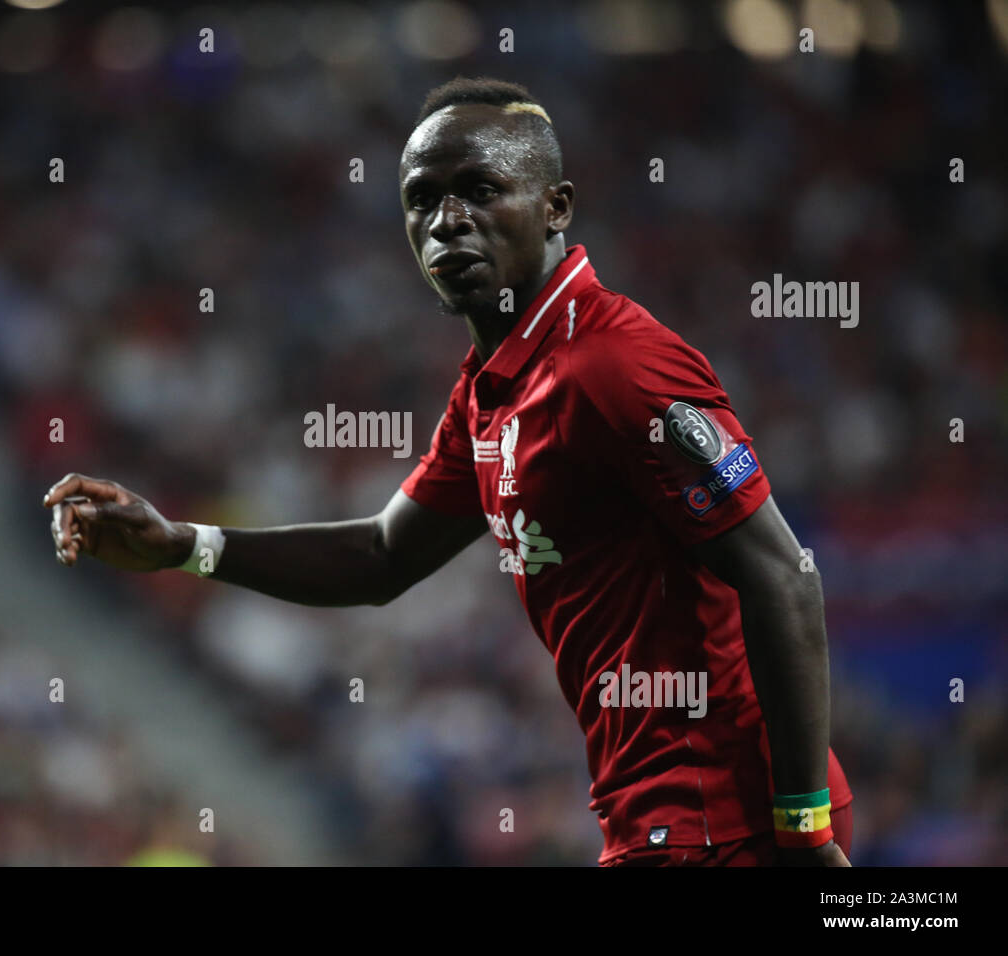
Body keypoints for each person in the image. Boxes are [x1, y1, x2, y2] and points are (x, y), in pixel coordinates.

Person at [43, 77, 852, 866]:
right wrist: (183, 544)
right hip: (661, 820)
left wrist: (803, 832)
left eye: (480, 189)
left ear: (556, 207)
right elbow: (382, 555)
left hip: (726, 822)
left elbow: (785, 578)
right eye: (422, 200)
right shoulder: (493, 389)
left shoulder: (616, 366)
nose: (447, 220)